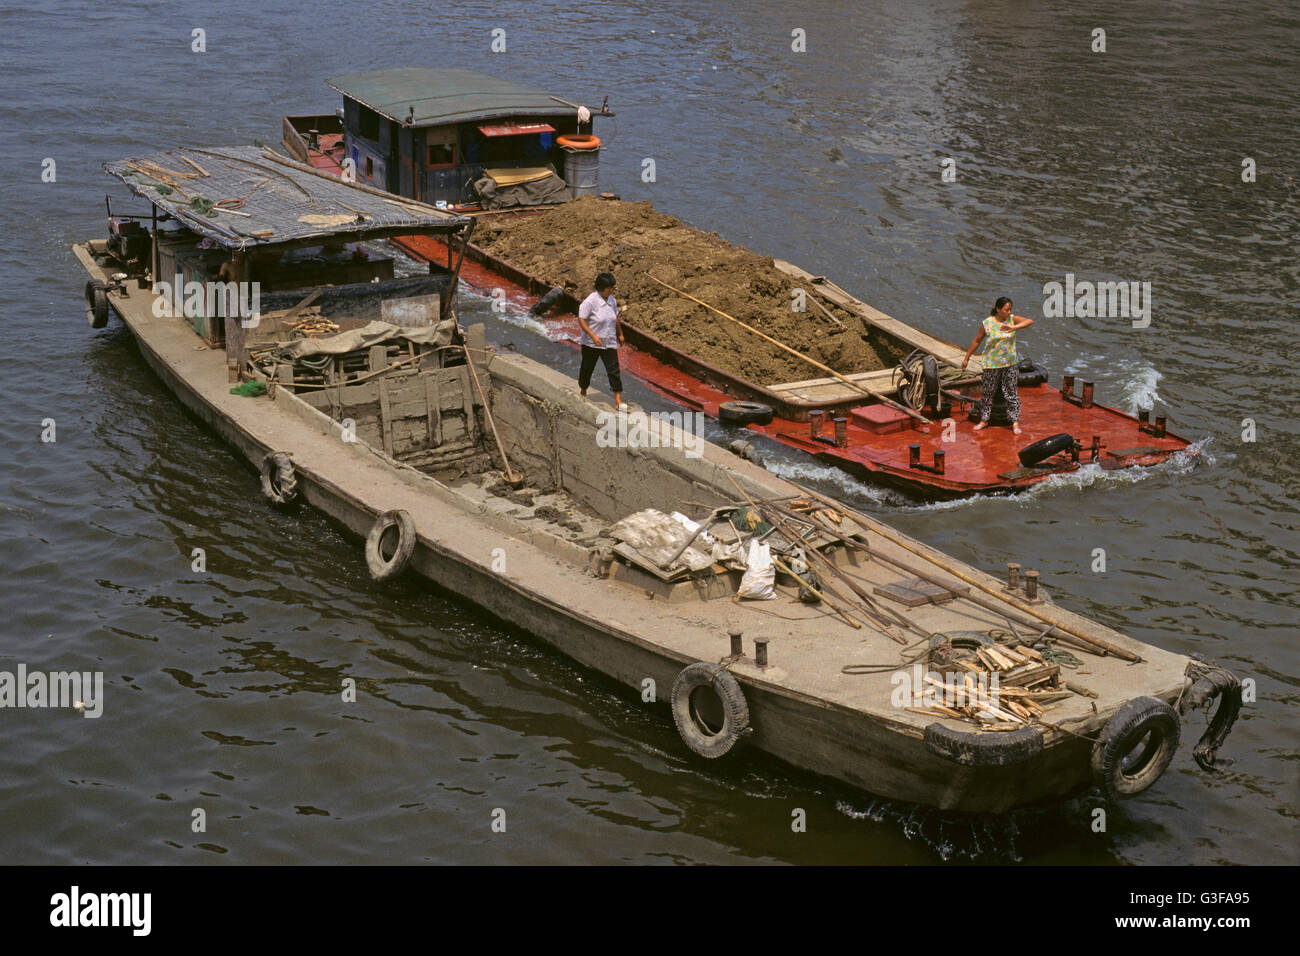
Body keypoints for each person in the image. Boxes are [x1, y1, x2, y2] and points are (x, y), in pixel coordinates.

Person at [961, 297, 1034, 434]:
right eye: (1006, 309)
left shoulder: (1012, 319)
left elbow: (1029, 321)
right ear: (998, 309)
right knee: (988, 393)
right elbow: (976, 341)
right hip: (991, 364)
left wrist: (1014, 327)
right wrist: (966, 358)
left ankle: (1015, 422)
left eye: (1010, 309)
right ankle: (984, 420)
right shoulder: (987, 323)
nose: (1009, 312)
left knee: (1011, 393)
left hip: (1009, 363)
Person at [577, 272, 625, 409]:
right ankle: (583, 389)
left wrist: (620, 334)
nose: (611, 290)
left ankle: (618, 400)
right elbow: (581, 319)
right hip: (592, 343)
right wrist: (593, 336)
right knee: (587, 368)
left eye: (612, 288)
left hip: (609, 341)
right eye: (609, 288)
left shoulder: (612, 301)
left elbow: (615, 318)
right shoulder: (591, 301)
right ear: (601, 287)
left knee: (613, 370)